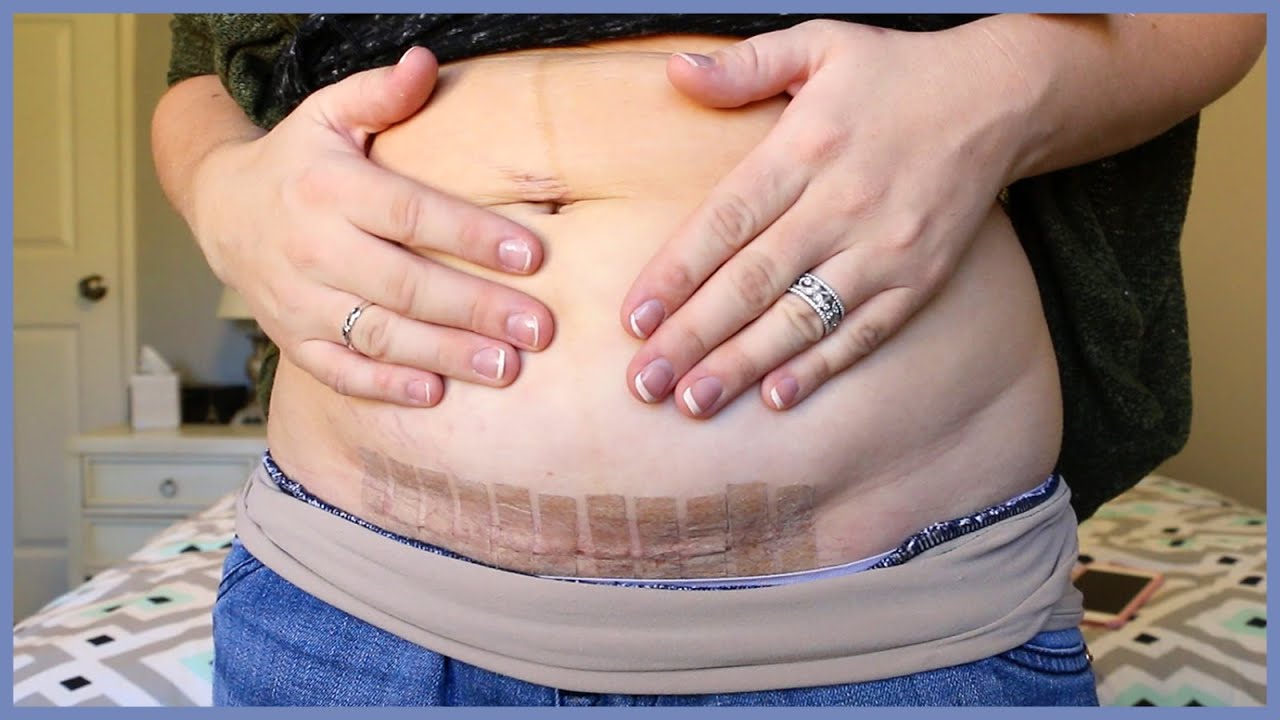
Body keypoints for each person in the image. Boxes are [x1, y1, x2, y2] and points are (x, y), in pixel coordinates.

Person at [152, 13, 1265, 706]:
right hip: (352, 624)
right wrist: (218, 186)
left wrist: (1003, 85)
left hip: (893, 648)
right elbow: (199, 74)